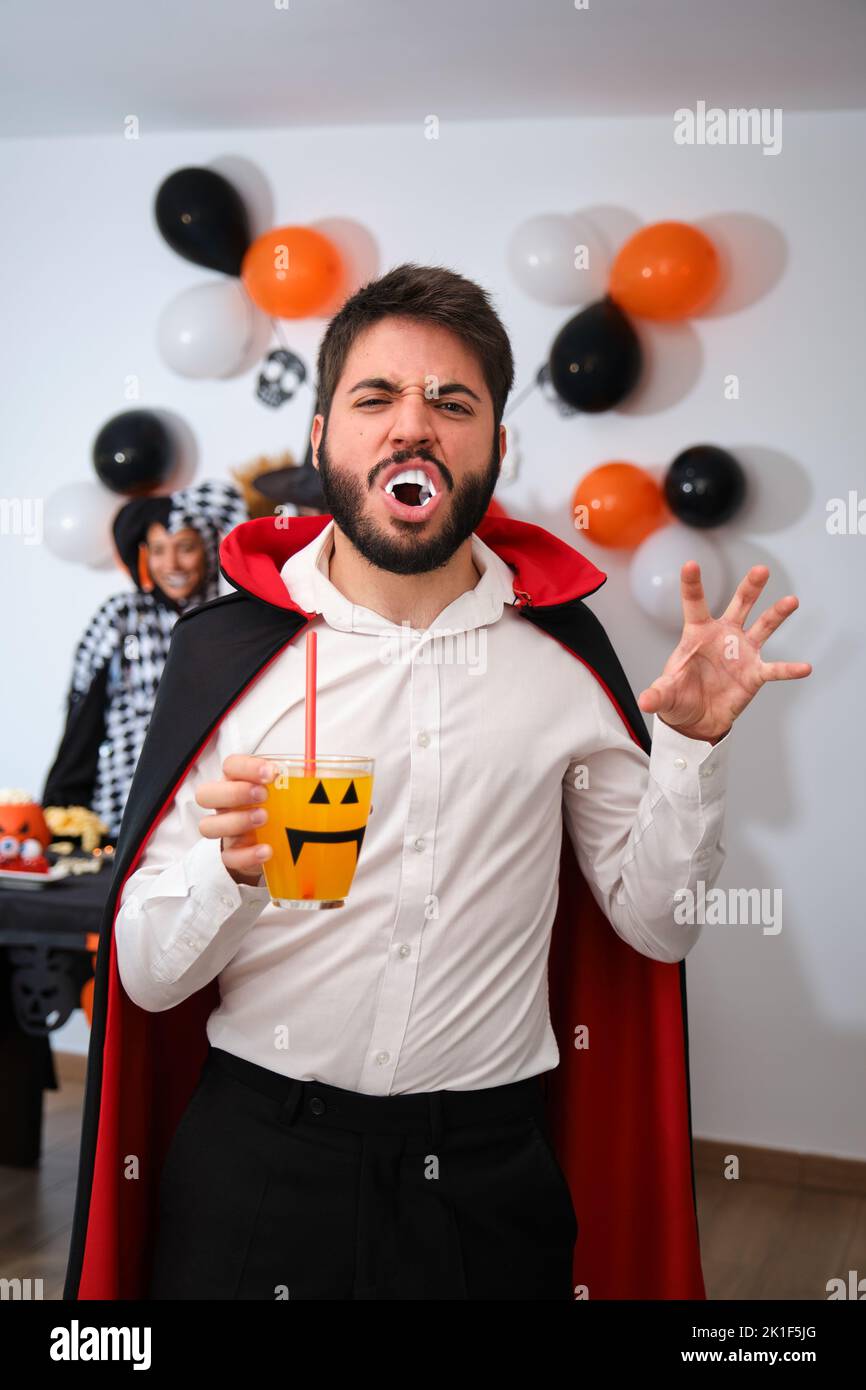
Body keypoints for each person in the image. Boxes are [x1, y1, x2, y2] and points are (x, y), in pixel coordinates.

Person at [63, 264, 811, 1302]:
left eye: (450, 403)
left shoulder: (564, 656)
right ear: (324, 436)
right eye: (375, 398)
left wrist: (687, 753)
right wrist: (226, 878)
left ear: (495, 448)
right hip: (258, 1164)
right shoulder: (227, 651)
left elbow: (657, 925)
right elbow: (146, 981)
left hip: (486, 1177)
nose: (411, 427)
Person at [41, 480, 248, 841]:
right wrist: (63, 806)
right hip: (122, 814)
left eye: (185, 548)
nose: (171, 563)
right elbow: (85, 714)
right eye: (158, 550)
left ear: (208, 549)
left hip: (204, 815)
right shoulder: (122, 617)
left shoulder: (230, 622)